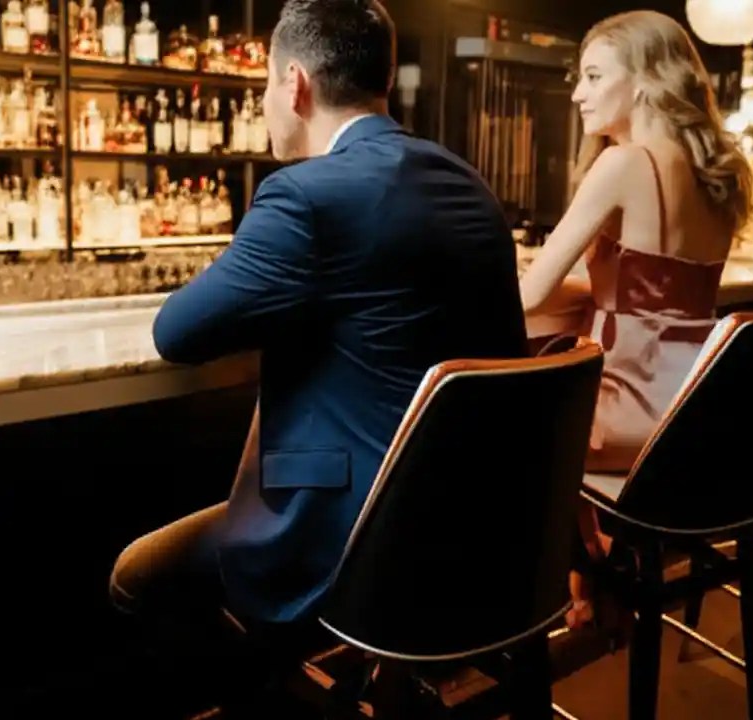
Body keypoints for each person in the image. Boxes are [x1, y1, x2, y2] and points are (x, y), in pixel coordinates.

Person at [108, 0, 528, 706]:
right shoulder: (469, 185)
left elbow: (175, 334)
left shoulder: (304, 197)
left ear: (294, 83)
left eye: (265, 85)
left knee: (135, 575)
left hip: (356, 544)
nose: (266, 103)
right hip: (481, 536)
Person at [518, 10, 753, 628]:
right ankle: (593, 573)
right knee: (548, 387)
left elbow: (528, 293)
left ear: (647, 80)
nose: (576, 92)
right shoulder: (720, 171)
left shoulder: (625, 164)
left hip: (633, 413)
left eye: (594, 76)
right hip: (699, 407)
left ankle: (538, 600)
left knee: (503, 424)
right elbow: (652, 294)